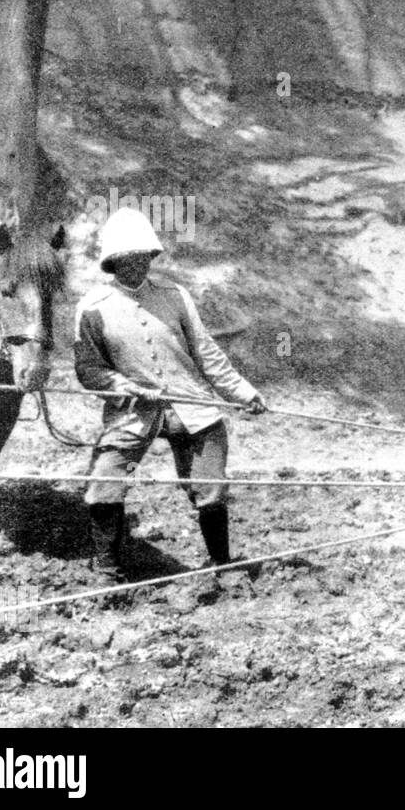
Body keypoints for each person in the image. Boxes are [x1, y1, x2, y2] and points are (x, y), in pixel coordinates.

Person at [74, 208, 267, 582]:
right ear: (113, 262)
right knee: (105, 481)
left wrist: (243, 392)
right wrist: (118, 385)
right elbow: (88, 369)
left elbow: (206, 352)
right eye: (129, 257)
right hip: (133, 412)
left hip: (191, 406)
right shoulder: (91, 309)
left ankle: (220, 564)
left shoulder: (175, 296)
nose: (139, 264)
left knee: (209, 486)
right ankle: (107, 570)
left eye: (145, 255)